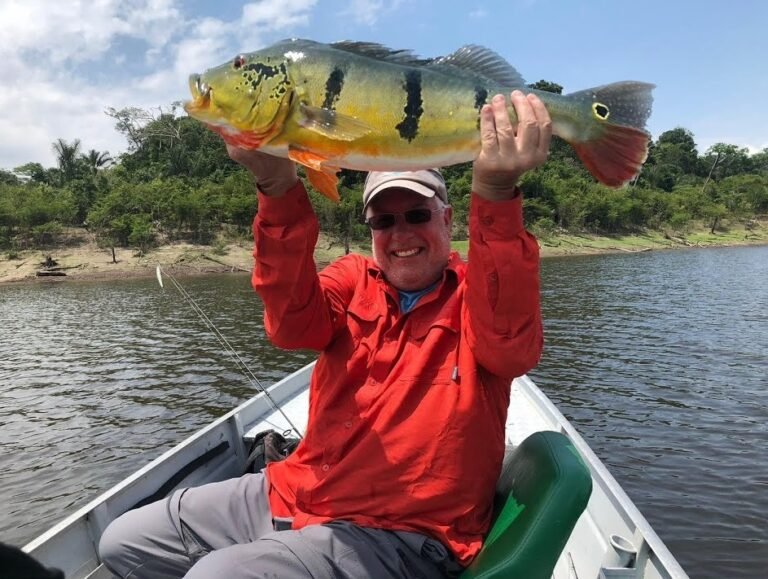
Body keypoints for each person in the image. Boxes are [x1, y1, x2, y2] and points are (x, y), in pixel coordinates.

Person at [99, 90, 551, 578]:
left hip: (402, 531)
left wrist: (497, 192)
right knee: (124, 542)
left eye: (417, 215)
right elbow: (292, 326)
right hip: (299, 489)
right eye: (384, 220)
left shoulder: (478, 296)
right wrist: (276, 186)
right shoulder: (354, 278)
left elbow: (511, 351)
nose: (400, 234)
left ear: (447, 218)